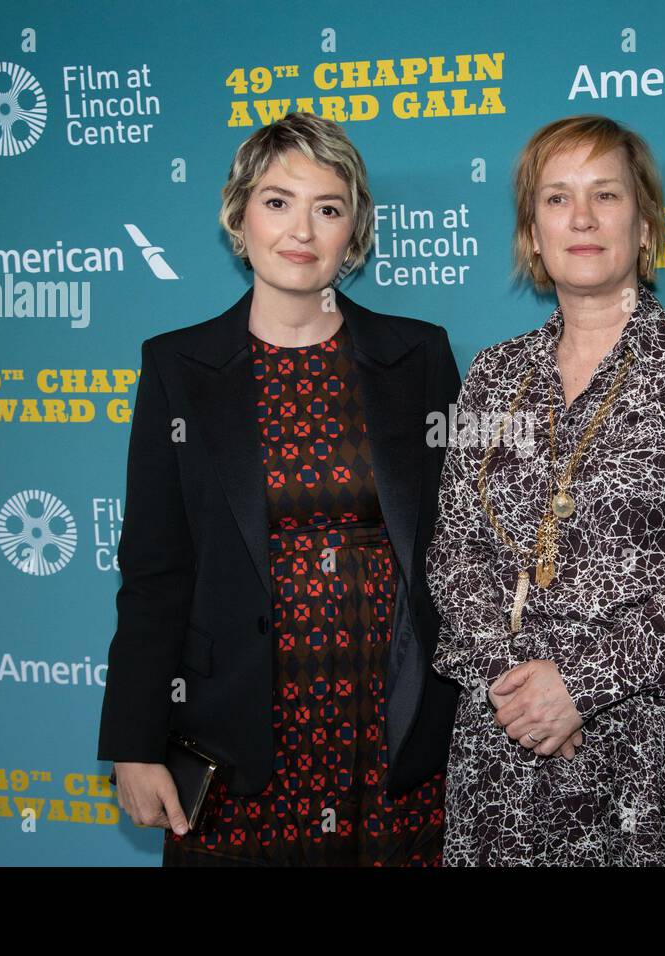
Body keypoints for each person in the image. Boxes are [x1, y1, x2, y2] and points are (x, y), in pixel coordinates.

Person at [98, 112, 461, 866]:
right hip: (241, 737)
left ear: (353, 232)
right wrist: (134, 742)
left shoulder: (418, 357)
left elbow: (462, 548)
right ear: (239, 217)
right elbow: (156, 572)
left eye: (327, 208)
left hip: (388, 734)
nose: (302, 229)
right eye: (277, 202)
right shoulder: (178, 369)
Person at [427, 114, 665, 865]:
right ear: (532, 232)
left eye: (605, 195)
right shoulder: (493, 377)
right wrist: (517, 690)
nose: (580, 218)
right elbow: (455, 552)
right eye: (557, 198)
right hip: (506, 754)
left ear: (644, 227)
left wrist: (579, 686)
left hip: (657, 762)